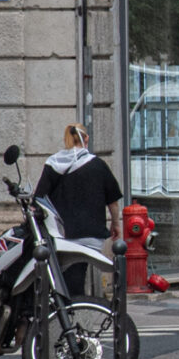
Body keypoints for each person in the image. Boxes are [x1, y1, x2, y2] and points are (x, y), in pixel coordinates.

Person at [30, 124, 122, 298]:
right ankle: (74, 309)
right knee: (78, 274)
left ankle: (65, 308)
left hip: (62, 234)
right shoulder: (98, 165)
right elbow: (113, 202)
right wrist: (115, 224)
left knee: (64, 274)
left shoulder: (53, 164)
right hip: (90, 234)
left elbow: (38, 199)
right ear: (86, 139)